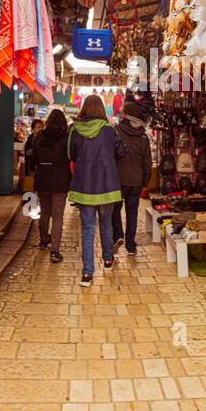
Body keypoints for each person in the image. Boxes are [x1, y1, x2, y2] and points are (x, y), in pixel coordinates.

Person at [68, 94, 125, 287]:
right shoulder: (110, 130)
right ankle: (108, 260)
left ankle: (87, 274)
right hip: (107, 185)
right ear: (101, 109)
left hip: (84, 185)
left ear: (84, 108)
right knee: (106, 225)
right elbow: (121, 152)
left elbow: (70, 154)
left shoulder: (74, 130)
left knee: (87, 229)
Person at [113, 101, 153, 255]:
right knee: (132, 214)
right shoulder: (143, 136)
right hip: (136, 182)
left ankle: (117, 236)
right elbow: (147, 163)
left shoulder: (116, 131)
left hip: (118, 180)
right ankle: (131, 245)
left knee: (115, 210)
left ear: (126, 114)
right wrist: (145, 183)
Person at [31, 111, 70, 263]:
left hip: (43, 178)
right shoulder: (66, 138)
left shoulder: (39, 137)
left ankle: (43, 241)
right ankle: (55, 251)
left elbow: (34, 159)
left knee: (45, 211)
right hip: (60, 180)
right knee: (58, 215)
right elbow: (71, 157)